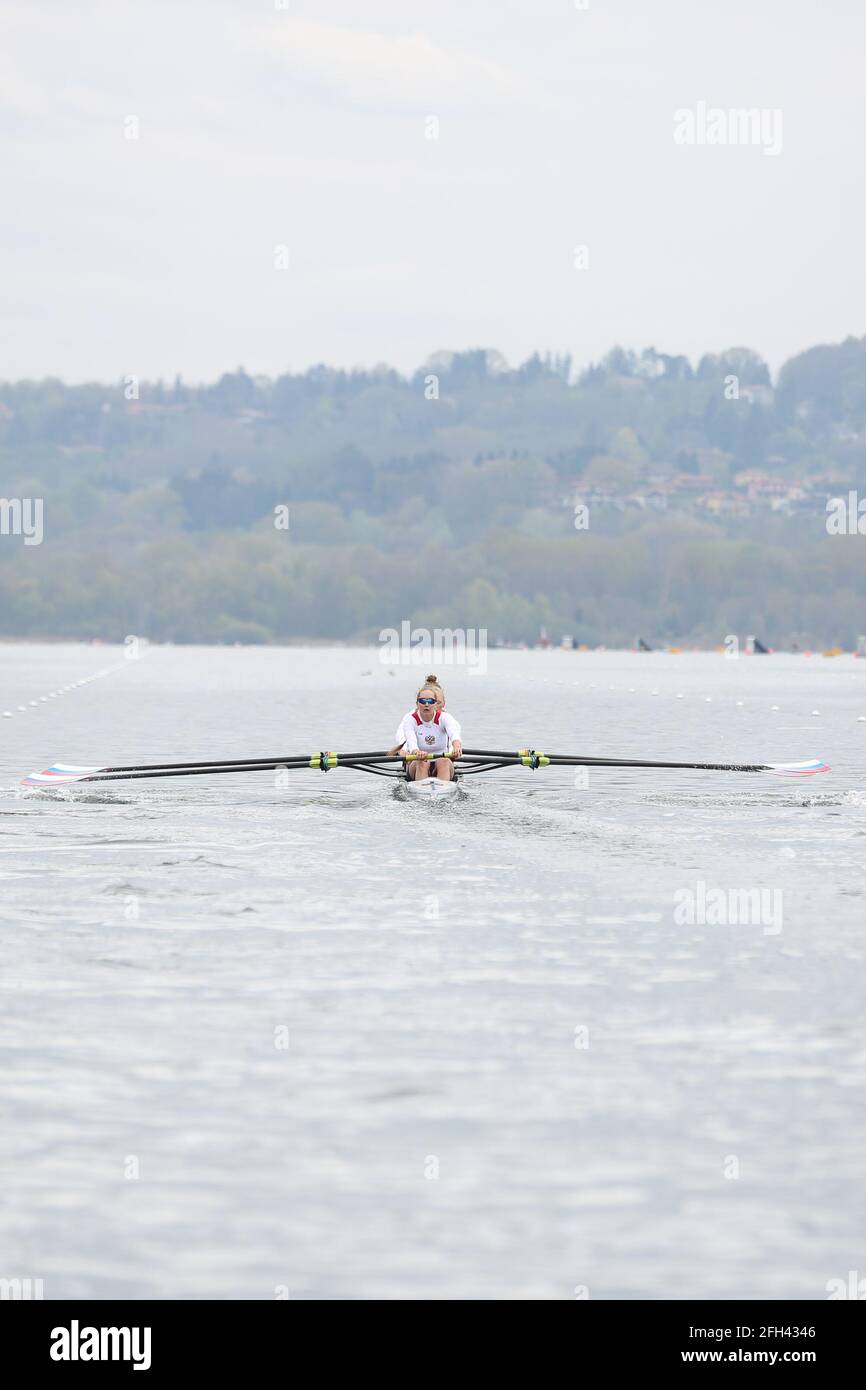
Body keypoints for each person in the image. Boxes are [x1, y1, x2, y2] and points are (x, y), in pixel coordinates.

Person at [394, 675, 462, 781]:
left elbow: (454, 736)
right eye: (423, 701)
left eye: (431, 701)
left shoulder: (446, 718)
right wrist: (415, 752)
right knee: (422, 763)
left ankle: (444, 789)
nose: (426, 704)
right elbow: (410, 742)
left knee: (443, 761)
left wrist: (456, 748)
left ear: (436, 703)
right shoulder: (410, 719)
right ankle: (421, 788)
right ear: (417, 703)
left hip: (442, 762)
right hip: (418, 761)